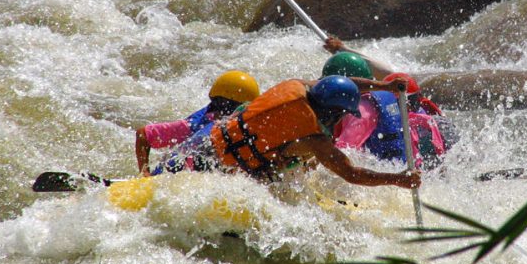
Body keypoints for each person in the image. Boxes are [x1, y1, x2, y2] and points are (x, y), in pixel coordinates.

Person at [203, 75, 420, 189]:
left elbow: (342, 83)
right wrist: (397, 180)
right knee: (309, 158)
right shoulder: (313, 139)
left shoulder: (296, 86)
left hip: (210, 141)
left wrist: (383, 85)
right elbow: (351, 174)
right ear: (333, 113)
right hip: (229, 170)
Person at [135, 70, 260, 174]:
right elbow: (143, 134)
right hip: (167, 178)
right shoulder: (194, 124)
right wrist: (144, 173)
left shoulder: (240, 129)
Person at [334, 71, 455, 167]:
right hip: (378, 169)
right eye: (409, 103)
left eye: (415, 102)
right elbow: (344, 151)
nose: (412, 109)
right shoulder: (368, 111)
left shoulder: (423, 115)